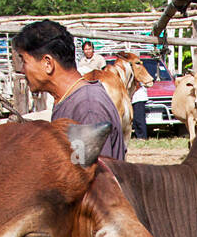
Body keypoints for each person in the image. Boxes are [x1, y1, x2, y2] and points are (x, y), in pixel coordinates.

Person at [13, 21, 124, 161]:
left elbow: (93, 178)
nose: (22, 70)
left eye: (24, 62)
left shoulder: (87, 107)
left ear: (48, 63)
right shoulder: (69, 99)